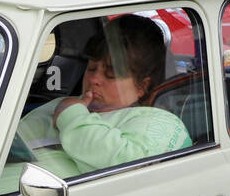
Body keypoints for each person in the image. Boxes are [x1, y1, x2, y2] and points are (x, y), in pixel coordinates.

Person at [13, 16, 190, 180]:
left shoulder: (161, 122)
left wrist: (73, 116)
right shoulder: (65, 104)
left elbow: (133, 168)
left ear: (141, 86)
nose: (94, 79)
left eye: (110, 73)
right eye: (91, 68)